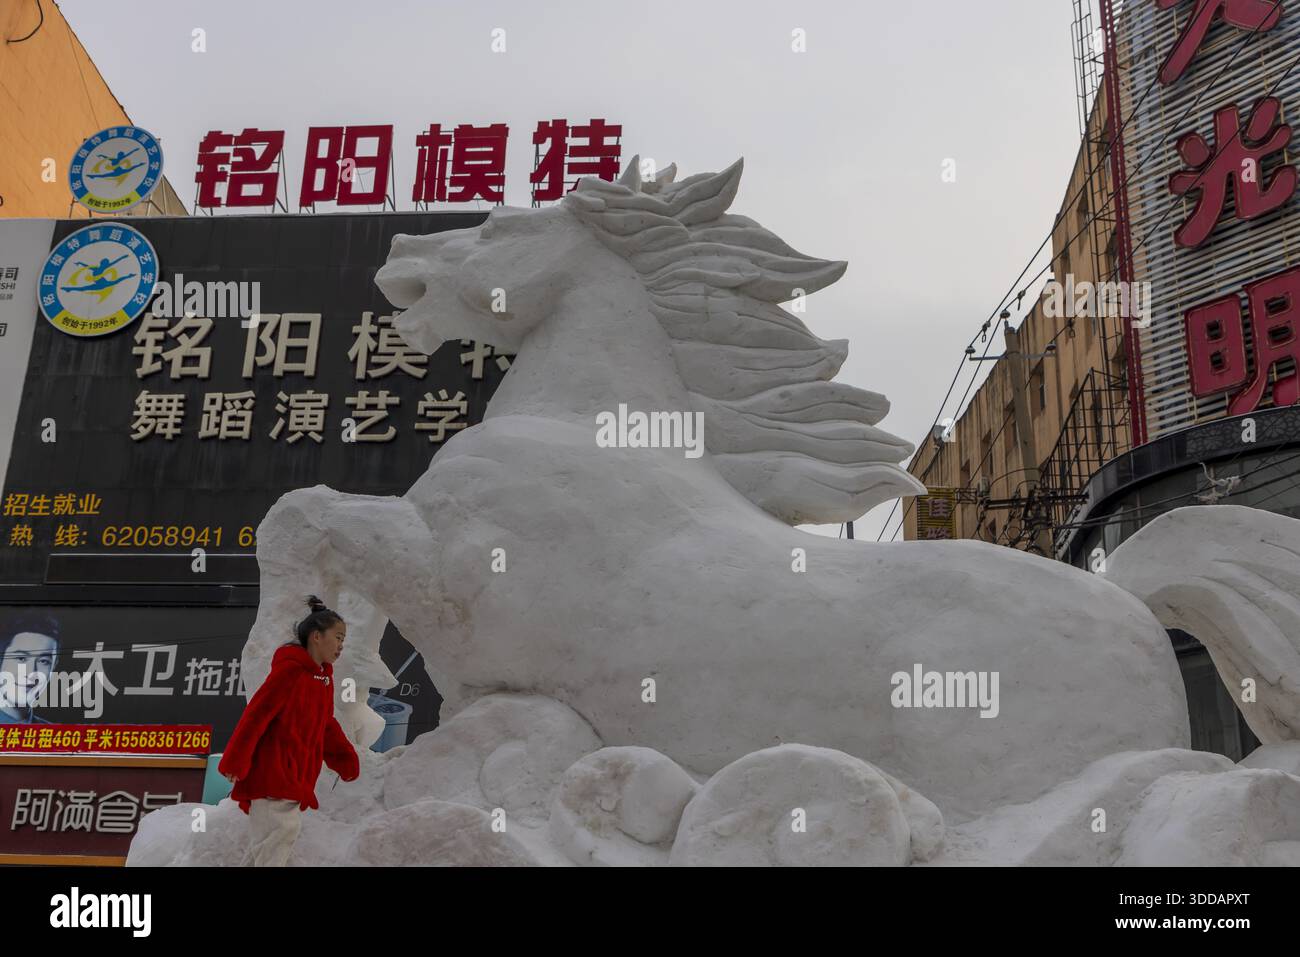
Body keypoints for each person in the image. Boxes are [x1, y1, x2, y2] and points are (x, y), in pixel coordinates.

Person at [218, 595, 359, 866]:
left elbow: (326, 723)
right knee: (280, 836)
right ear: (317, 636)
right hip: (273, 774)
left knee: (271, 845)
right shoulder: (289, 672)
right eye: (338, 637)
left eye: (344, 639)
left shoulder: (322, 680)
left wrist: (345, 760)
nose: (341, 645)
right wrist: (235, 761)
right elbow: (256, 715)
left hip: (295, 776)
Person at [0, 613, 59, 724]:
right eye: (21, 658)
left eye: (43, 661)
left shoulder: (56, 736)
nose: (31, 672)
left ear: (53, 668)